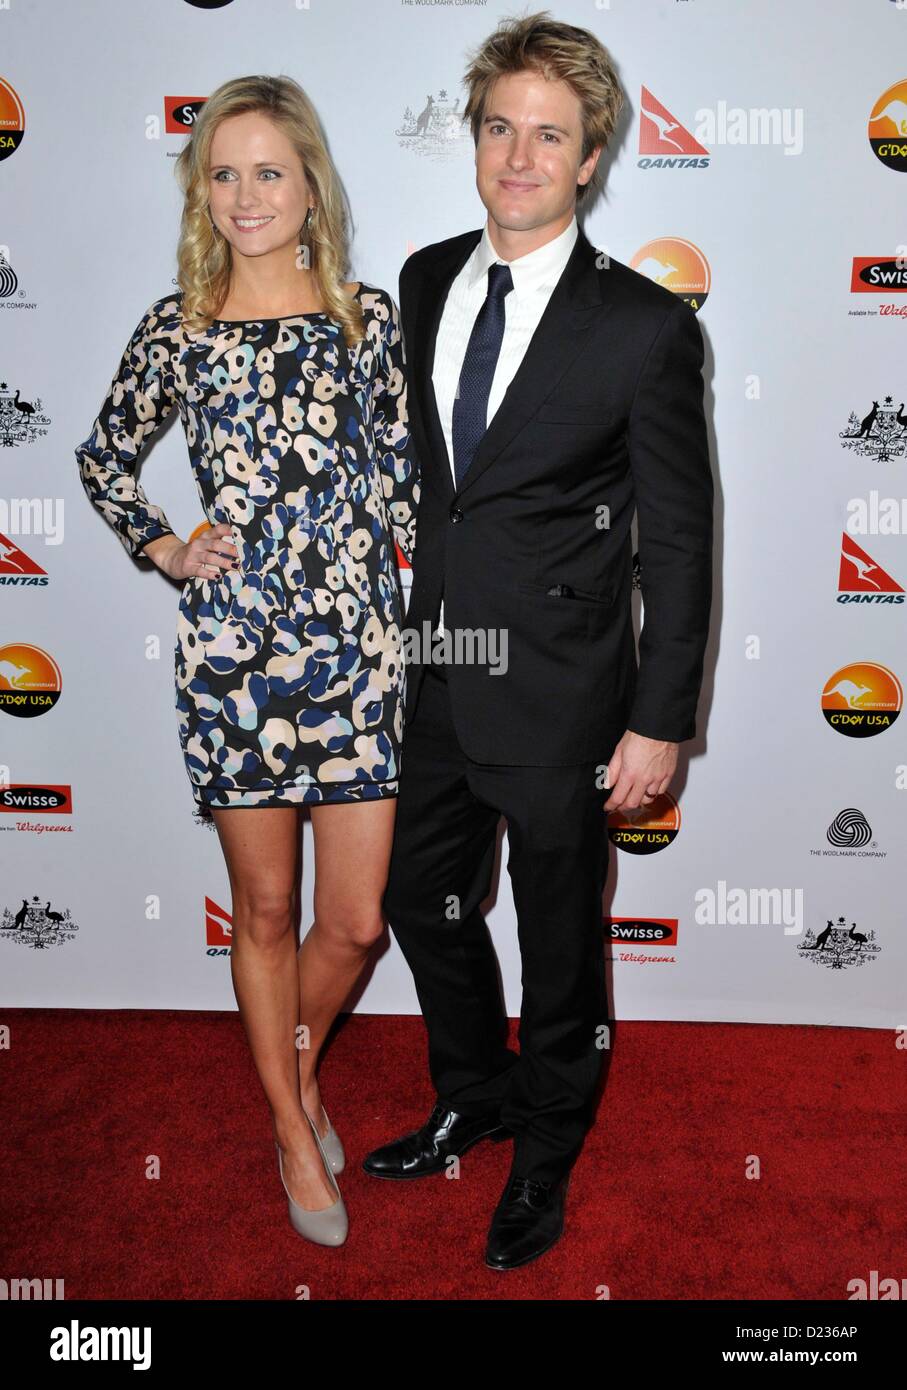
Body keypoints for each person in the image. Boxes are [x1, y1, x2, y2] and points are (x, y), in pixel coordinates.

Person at [364, 12, 713, 1270]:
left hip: (567, 691)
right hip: (437, 674)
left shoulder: (643, 327)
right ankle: (476, 1088)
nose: (519, 155)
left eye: (548, 135)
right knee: (418, 896)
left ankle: (549, 1147)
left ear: (589, 159)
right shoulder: (421, 277)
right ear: (476, 140)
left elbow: (677, 541)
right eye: (500, 127)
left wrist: (660, 717)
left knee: (560, 939)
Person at [75, 75, 420, 1248]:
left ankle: (295, 1070)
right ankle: (289, 1123)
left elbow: (414, 486)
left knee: (357, 920)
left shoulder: (369, 319)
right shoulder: (182, 325)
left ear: (310, 183)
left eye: (268, 170)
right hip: (236, 658)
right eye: (222, 173)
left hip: (361, 654)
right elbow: (103, 457)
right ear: (199, 190)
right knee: (264, 908)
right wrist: (166, 545)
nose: (244, 195)